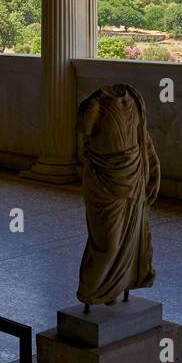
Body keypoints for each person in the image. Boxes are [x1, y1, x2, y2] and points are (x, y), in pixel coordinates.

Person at [75, 84, 160, 307]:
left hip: (133, 174)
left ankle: (118, 285)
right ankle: (91, 291)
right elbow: (84, 143)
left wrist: (153, 167)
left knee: (130, 238)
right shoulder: (92, 107)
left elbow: (143, 139)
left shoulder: (134, 98)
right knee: (108, 243)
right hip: (104, 181)